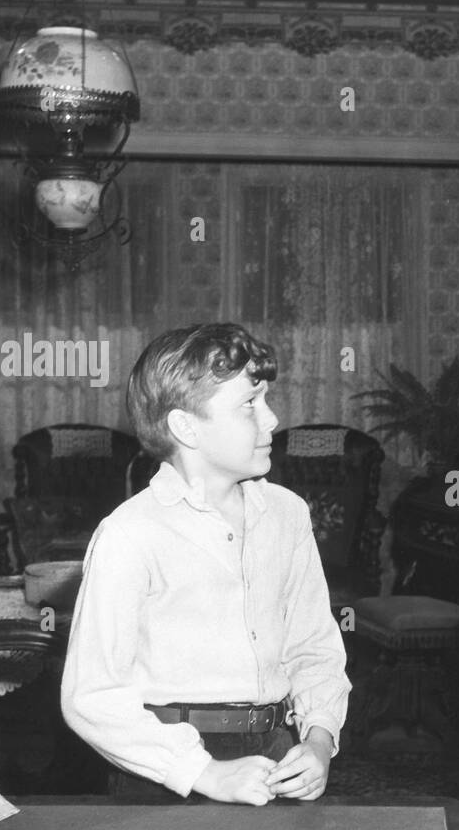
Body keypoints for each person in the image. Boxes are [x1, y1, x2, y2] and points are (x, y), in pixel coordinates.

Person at [61, 323, 349, 804]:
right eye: (249, 405)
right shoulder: (131, 534)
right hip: (166, 772)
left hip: (275, 757)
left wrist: (318, 739)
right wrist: (206, 774)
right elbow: (90, 696)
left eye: (266, 400)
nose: (272, 419)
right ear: (185, 427)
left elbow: (314, 647)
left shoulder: (287, 515)